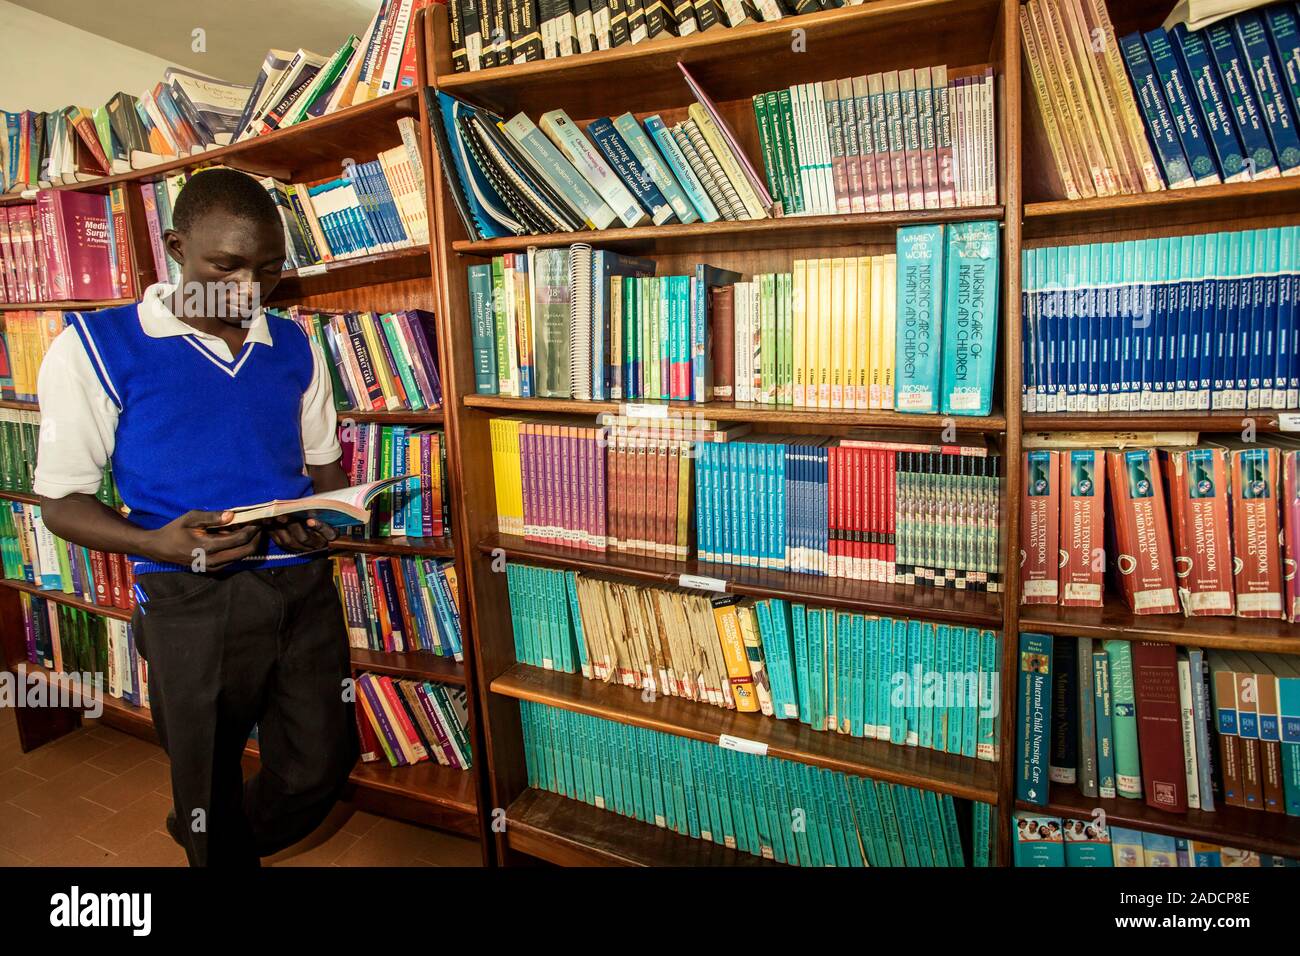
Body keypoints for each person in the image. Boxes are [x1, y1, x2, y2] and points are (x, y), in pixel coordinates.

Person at [33, 167, 359, 867]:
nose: (249, 289)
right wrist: (156, 543)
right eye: (227, 265)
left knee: (320, 765)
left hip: (300, 587)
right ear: (177, 246)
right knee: (206, 777)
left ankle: (214, 835)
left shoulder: (296, 344)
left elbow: (325, 469)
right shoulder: (94, 348)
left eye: (269, 270)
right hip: (189, 597)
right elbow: (60, 502)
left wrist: (329, 517)